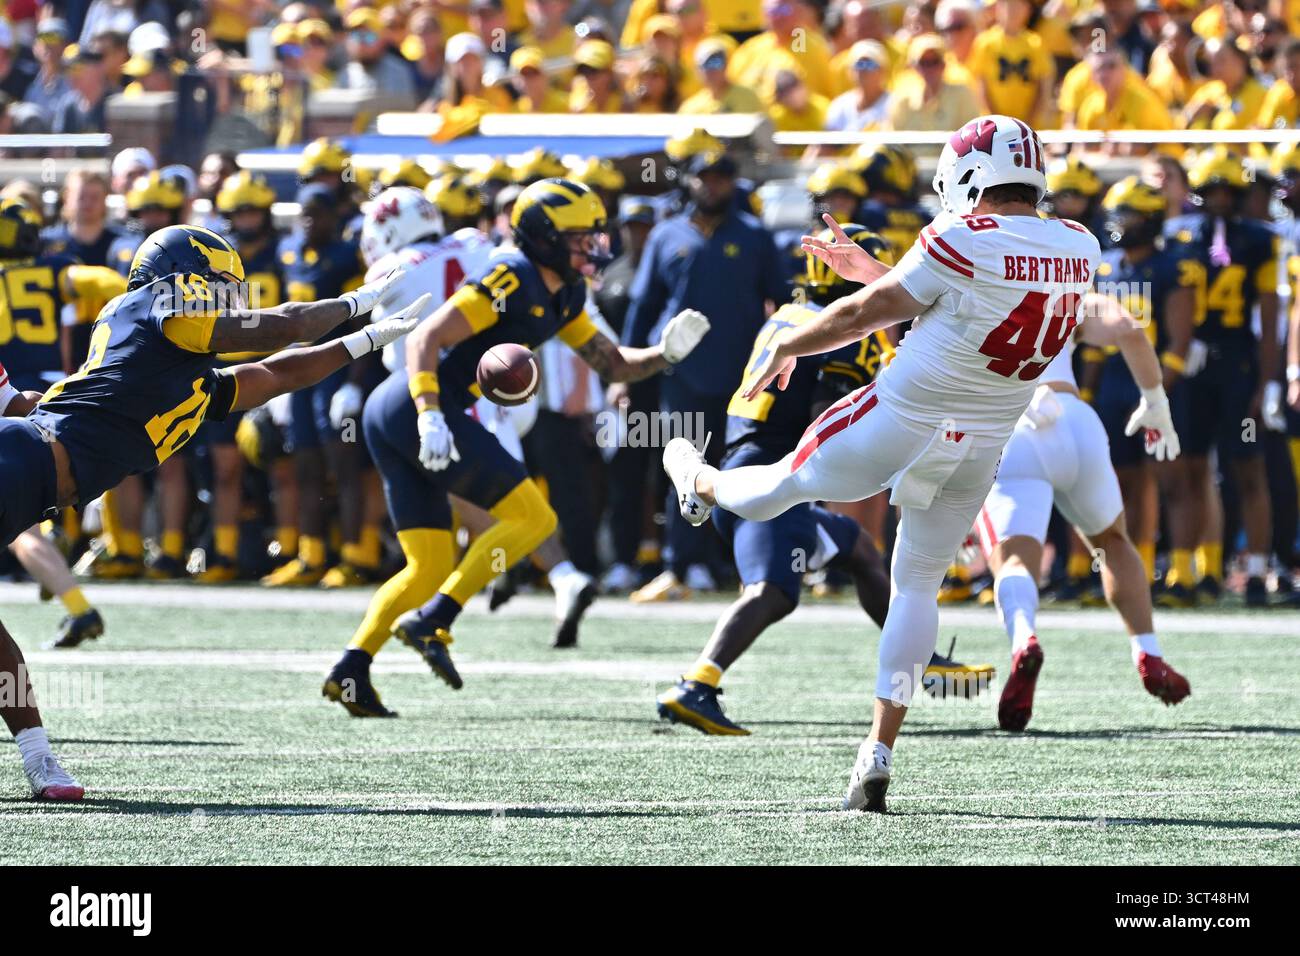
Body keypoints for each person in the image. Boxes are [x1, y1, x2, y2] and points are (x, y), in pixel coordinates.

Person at [660, 115, 1100, 812]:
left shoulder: (959, 237)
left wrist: (791, 344)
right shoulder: (1081, 244)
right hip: (980, 442)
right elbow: (960, 304)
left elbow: (871, 311)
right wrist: (876, 274)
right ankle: (877, 752)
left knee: (777, 489)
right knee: (916, 586)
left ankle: (696, 477)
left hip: (897, 422)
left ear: (967, 175)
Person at [1, 218, 426, 800]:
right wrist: (355, 303)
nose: (228, 299)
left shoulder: (188, 380)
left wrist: (365, 341)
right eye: (219, 285)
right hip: (19, 463)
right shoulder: (153, 304)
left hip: (32, 477)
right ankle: (41, 763)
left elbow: (280, 373)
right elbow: (280, 327)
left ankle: (40, 763)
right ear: (181, 277)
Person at [323, 179, 709, 716]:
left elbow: (611, 363)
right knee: (533, 519)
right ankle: (436, 619)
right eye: (580, 237)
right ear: (545, 237)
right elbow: (423, 339)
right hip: (418, 405)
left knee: (427, 565)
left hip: (399, 410)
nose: (593, 247)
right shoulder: (512, 276)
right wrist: (432, 413)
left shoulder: (565, 291)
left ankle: (352, 669)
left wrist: (663, 353)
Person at [657, 223, 993, 734]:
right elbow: (831, 416)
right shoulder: (844, 332)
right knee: (773, 590)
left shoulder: (790, 317)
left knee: (857, 547)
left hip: (749, 449)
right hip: (774, 472)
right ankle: (696, 684)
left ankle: (920, 663)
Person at [978, 286, 1192, 730]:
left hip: (1011, 423)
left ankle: (1024, 640)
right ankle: (1148, 654)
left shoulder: (972, 280)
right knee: (1112, 542)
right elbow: (1129, 330)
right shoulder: (1063, 286)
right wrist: (1155, 402)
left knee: (1014, 560)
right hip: (1075, 418)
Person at [625, 148, 786, 602]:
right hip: (681, 373)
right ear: (690, 181)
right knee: (682, 465)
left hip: (743, 377)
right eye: (704, 177)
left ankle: (736, 564)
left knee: (740, 466)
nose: (711, 185)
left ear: (733, 183)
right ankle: (680, 565)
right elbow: (645, 305)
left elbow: (780, 300)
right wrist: (625, 370)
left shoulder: (755, 236)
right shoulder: (665, 235)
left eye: (720, 178)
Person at [0, 200, 122, 649]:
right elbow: (105, 282)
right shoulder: (52, 269)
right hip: (54, 394)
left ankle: (78, 608)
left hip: (9, 404)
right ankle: (63, 544)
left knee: (20, 531)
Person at [1166, 150, 1279, 606]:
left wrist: (1268, 382)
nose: (1217, 199)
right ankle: (1196, 569)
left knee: (1248, 467)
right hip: (1194, 365)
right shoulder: (1180, 236)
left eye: (1225, 190)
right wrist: (1180, 341)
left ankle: (1255, 570)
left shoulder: (1259, 239)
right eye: (1210, 190)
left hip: (1238, 364)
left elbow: (1269, 317)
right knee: (1191, 466)